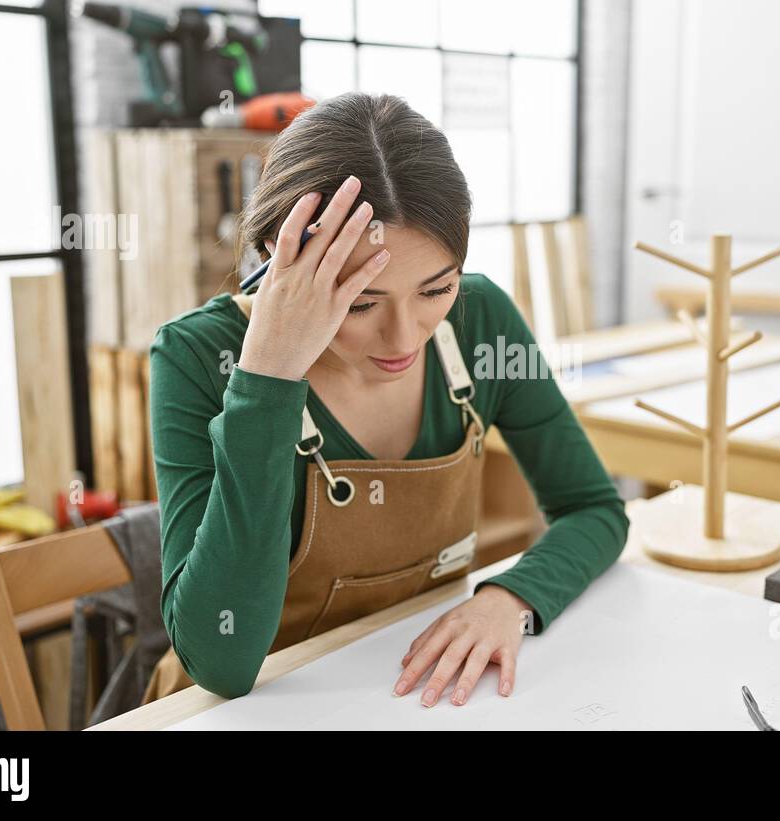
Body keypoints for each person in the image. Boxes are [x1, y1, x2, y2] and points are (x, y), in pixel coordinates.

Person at [143, 92, 629, 708]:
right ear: (276, 260)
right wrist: (268, 374)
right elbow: (221, 659)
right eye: (362, 302)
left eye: (436, 289)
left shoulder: (483, 322)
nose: (404, 339)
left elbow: (595, 510)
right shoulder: (196, 356)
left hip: (408, 698)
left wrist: (510, 597)